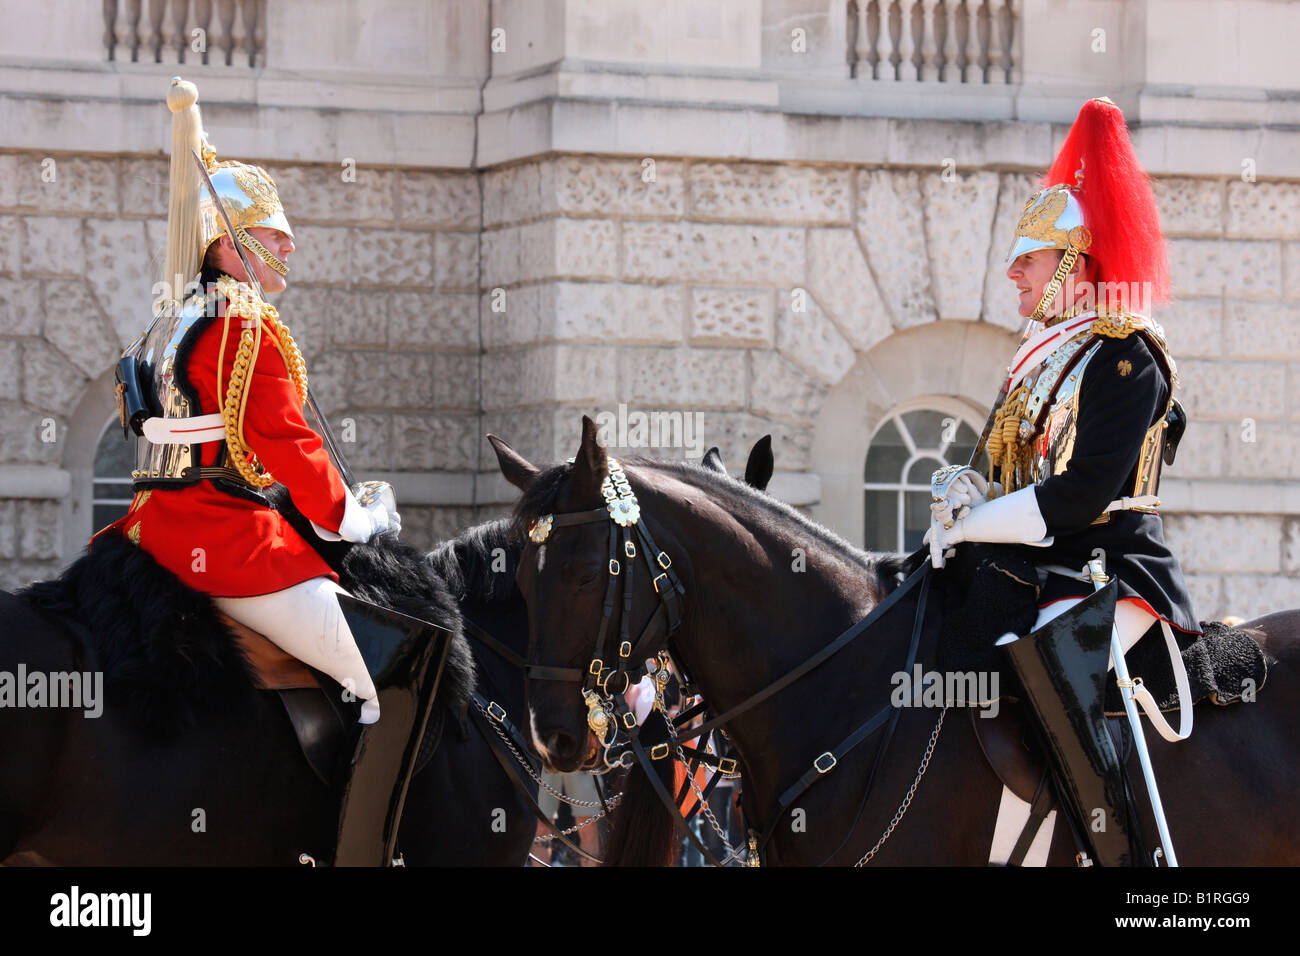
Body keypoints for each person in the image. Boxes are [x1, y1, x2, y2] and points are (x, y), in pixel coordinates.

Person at [93, 79, 427, 865]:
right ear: (227, 243)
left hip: (144, 533)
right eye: (270, 235)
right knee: (406, 673)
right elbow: (284, 444)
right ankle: (363, 855)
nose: (287, 247)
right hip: (226, 541)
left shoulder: (169, 320)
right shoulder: (245, 325)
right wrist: (356, 517)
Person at [925, 97, 1198, 866]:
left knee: (1052, 673)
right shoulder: (1041, 357)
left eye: (1031, 258)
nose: (1014, 270)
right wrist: (961, 502)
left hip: (1111, 572)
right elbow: (999, 467)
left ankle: (1129, 863)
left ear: (1074, 264)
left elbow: (1080, 496)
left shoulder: (1123, 355)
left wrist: (976, 524)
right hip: (1035, 567)